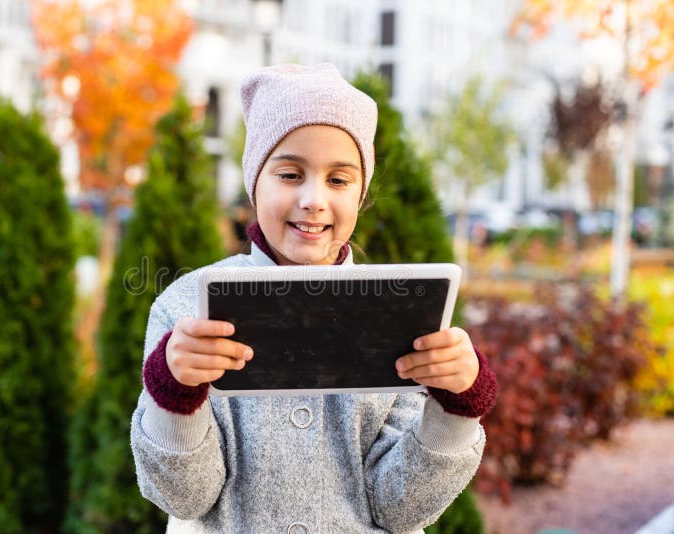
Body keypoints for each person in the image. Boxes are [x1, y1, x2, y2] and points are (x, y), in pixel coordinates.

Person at [131, 63, 498, 533]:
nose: (314, 199)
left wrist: (455, 408)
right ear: (254, 182)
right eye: (289, 174)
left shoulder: (401, 310)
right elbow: (185, 497)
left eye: (338, 180)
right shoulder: (187, 310)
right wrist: (174, 390)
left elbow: (401, 507)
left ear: (361, 194)